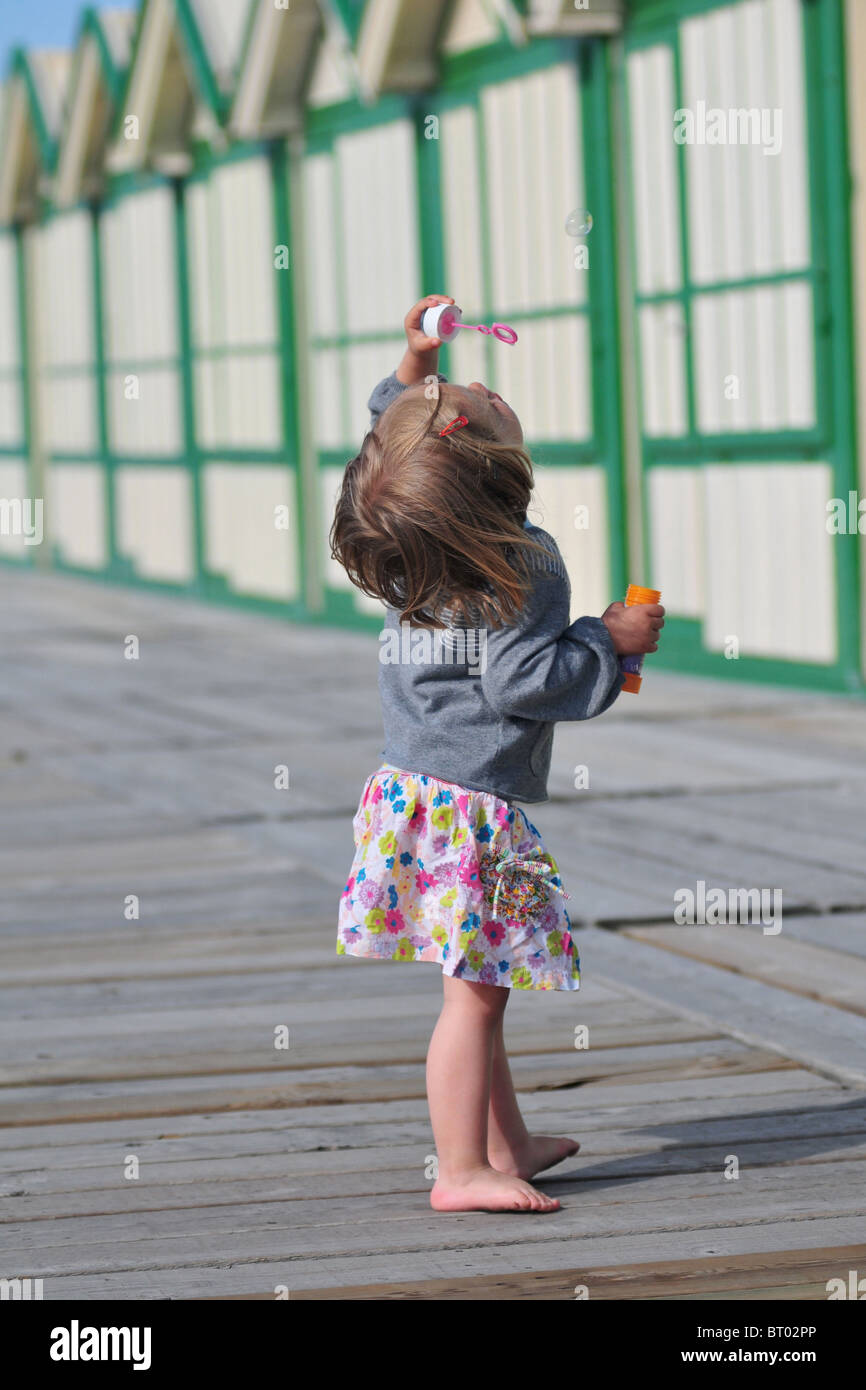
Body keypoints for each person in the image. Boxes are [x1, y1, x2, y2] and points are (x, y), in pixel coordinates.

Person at [330, 294, 664, 1213]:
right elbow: (524, 682)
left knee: (486, 978)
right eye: (462, 401)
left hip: (411, 792)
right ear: (492, 464)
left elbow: (390, 435)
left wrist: (411, 365)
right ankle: (460, 1171)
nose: (465, 385)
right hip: (471, 810)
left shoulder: (407, 534)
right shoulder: (521, 562)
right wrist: (610, 639)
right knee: (474, 998)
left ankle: (505, 1140)